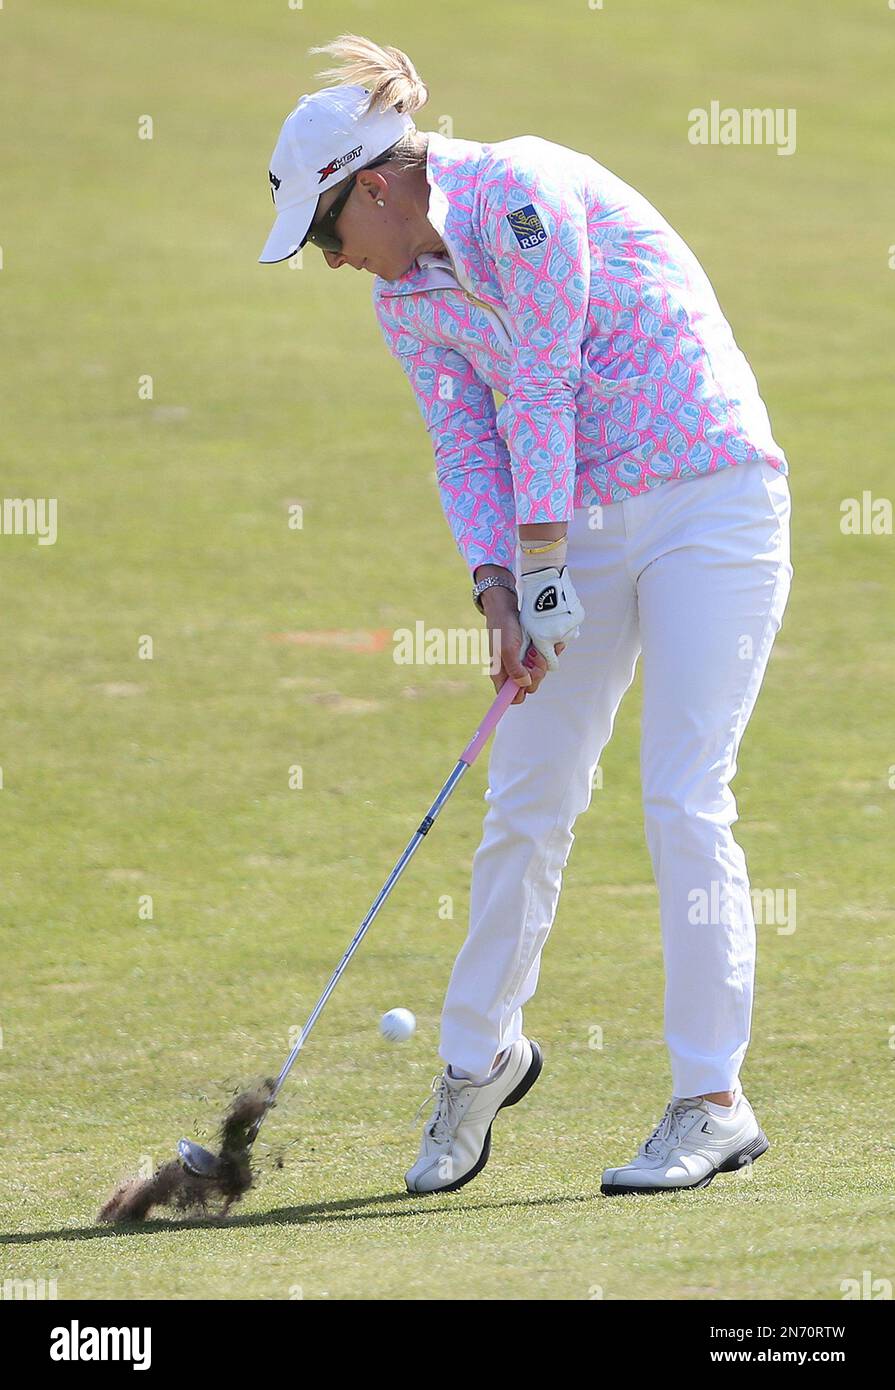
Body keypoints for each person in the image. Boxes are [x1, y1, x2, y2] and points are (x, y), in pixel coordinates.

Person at [259, 36, 792, 1196]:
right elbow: (465, 441)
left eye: (324, 230)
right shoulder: (405, 296)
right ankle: (477, 1060)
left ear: (381, 188)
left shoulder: (523, 196)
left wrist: (540, 563)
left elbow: (543, 381)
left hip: (712, 495)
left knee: (683, 790)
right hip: (581, 527)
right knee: (526, 794)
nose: (328, 258)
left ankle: (712, 1099)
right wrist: (498, 587)